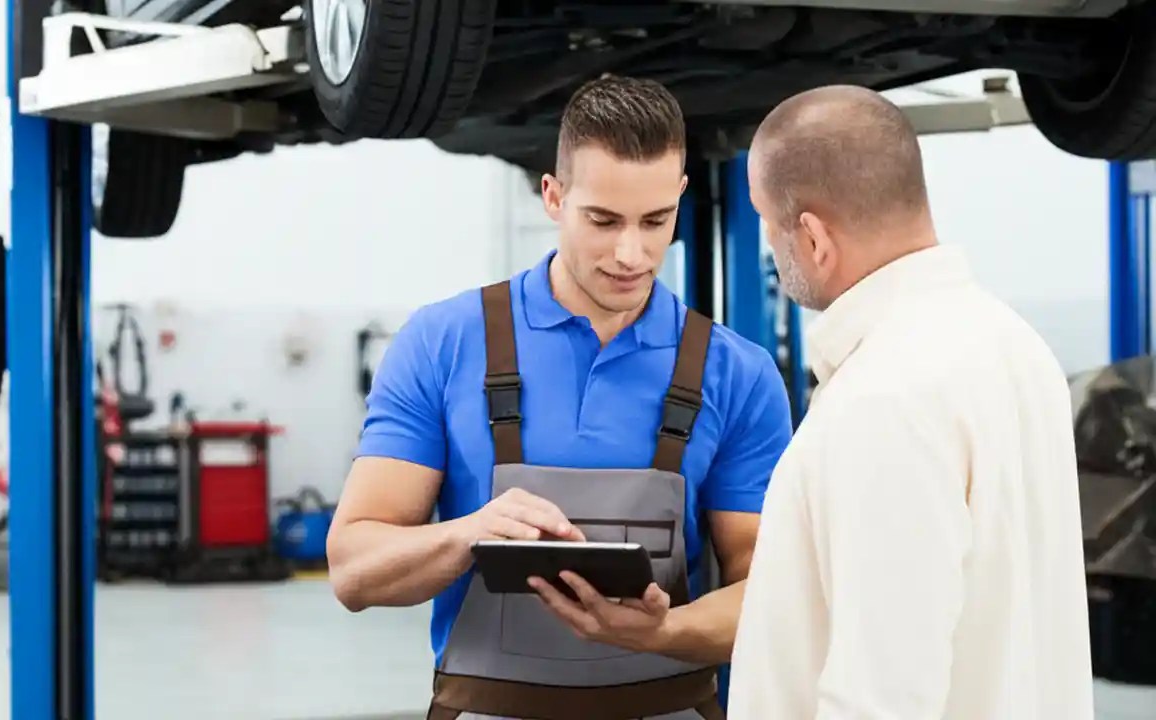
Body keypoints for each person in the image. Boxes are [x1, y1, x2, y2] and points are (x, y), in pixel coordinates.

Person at [326, 75, 793, 719]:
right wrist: (470, 536)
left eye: (655, 221)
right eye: (602, 220)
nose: (631, 253)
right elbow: (353, 570)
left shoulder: (736, 373)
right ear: (554, 196)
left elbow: (773, 592)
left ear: (681, 197)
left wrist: (662, 633)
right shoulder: (444, 343)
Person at [726, 84, 1096, 719]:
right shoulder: (1016, 347)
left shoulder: (883, 398)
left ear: (813, 238)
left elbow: (881, 696)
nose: (767, 243)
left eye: (766, 219)